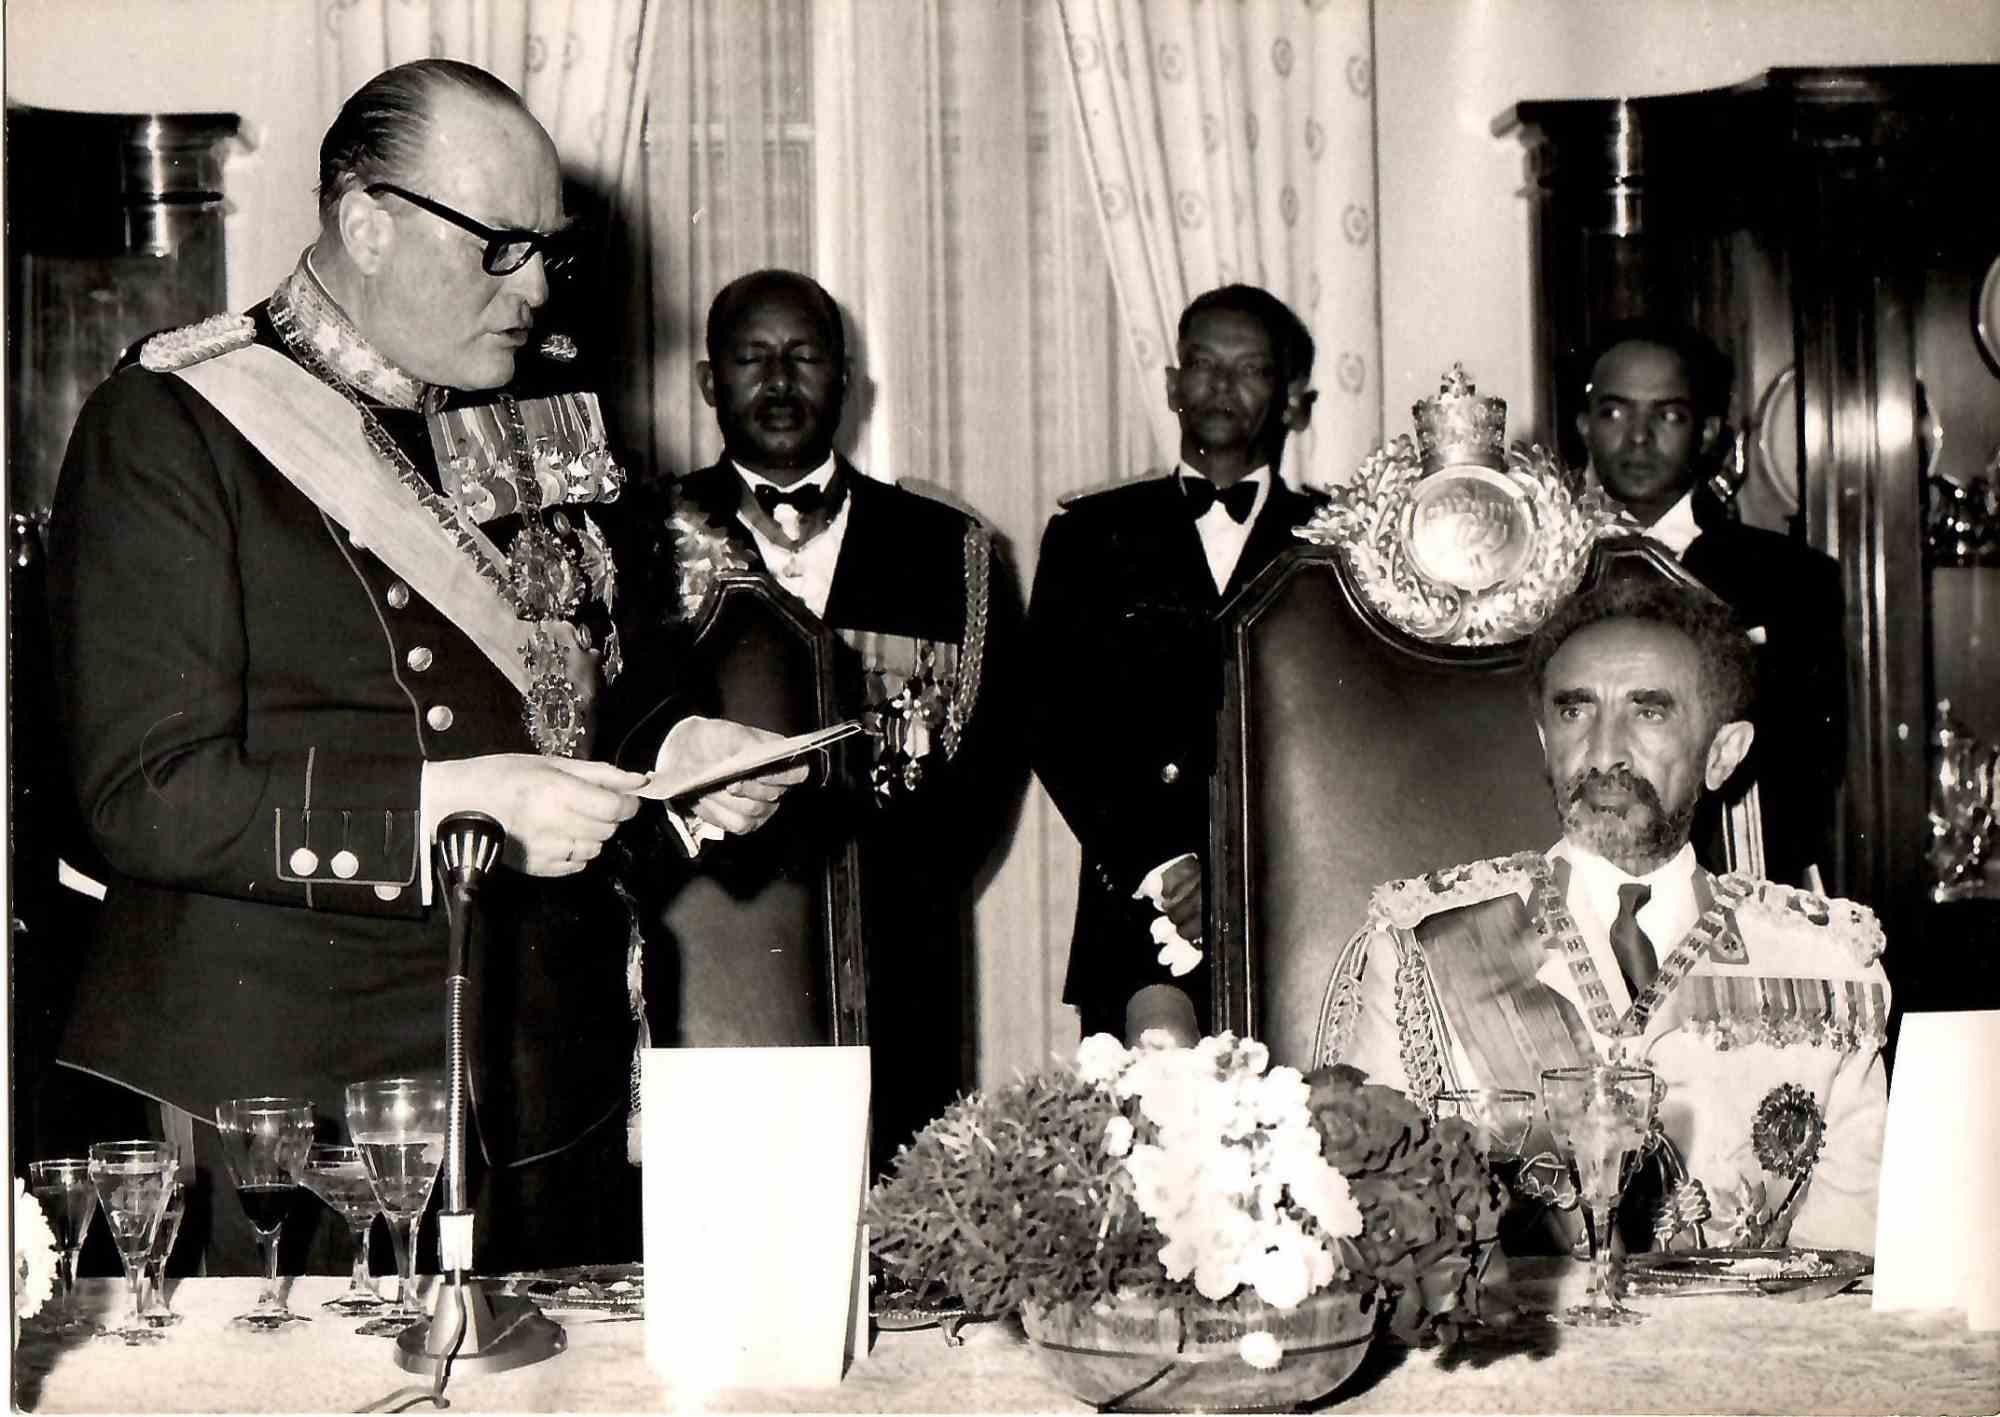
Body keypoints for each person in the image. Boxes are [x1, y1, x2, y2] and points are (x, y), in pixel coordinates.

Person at [45, 59, 800, 1274]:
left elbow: (600, 667)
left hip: (542, 1064)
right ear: (366, 223)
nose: (538, 284)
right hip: (294, 1099)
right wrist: (454, 798)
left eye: (548, 245)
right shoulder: (180, 420)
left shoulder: (542, 405)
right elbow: (147, 792)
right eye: (500, 245)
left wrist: (675, 744)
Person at [1321, 577, 1889, 1254]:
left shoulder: (1824, 967)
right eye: (1574, 712)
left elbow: (1857, 1261)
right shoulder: (1421, 949)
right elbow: (1371, 1233)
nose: (1604, 751)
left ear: (1723, 753)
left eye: (1649, 712)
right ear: (1543, 738)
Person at [613, 268, 1021, 1171]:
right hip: (702, 954)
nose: (780, 381)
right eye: (752, 358)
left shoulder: (945, 548)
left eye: (805, 357)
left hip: (891, 964)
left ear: (847, 378)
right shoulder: (635, 537)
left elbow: (983, 783)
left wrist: (876, 900)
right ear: (709, 382)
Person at [1028, 284, 1323, 1045]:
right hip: (1138, 909)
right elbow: (1051, 719)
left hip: (1293, 912)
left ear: (1290, 399)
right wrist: (1162, 863)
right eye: (1202, 363)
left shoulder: (1337, 543)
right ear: (1170, 384)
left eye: (1251, 368)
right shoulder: (1090, 536)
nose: (1221, 386)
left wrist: (1246, 873)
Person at [1575, 320, 1845, 889]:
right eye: (1615, 412)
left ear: (1707, 432)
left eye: (1667, 415)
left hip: (1734, 880)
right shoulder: (1545, 572)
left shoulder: (1792, 579)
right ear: (1584, 425)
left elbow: (1815, 768)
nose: (1639, 437)